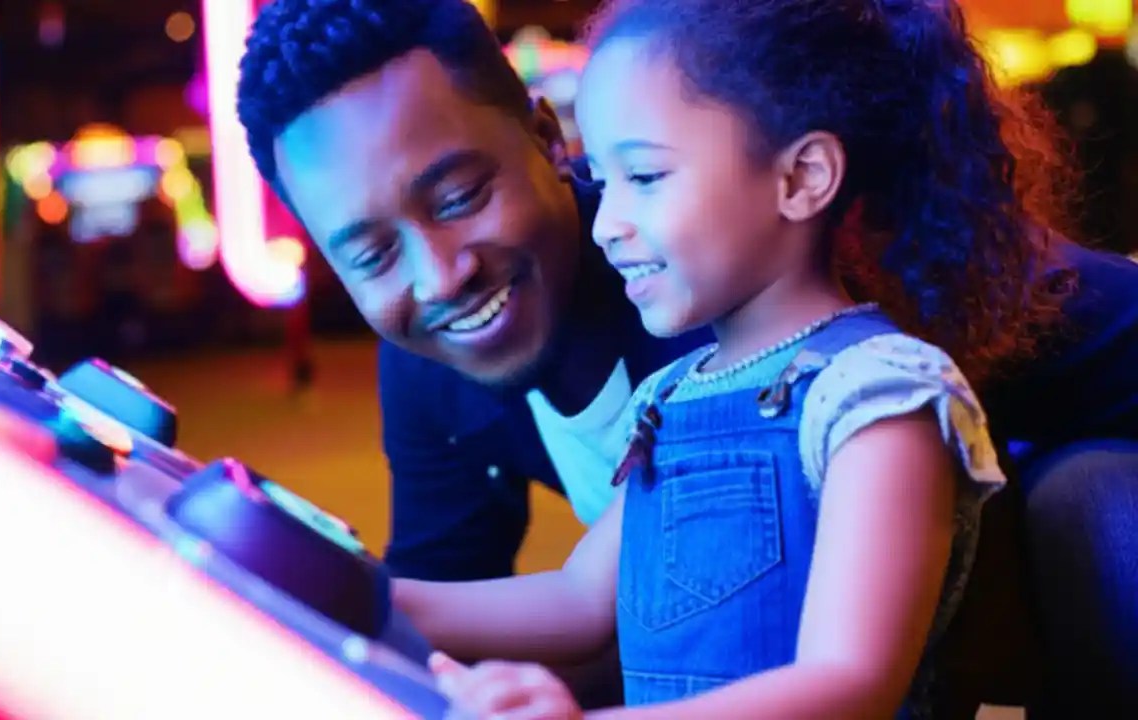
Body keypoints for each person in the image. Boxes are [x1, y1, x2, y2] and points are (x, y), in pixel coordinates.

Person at [235, 0, 1138, 712]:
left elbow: (847, 680)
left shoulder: (830, 332)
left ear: (552, 143)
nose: (440, 276)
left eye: (462, 194)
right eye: (371, 254)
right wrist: (322, 579)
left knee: (1095, 507)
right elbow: (557, 605)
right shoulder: (675, 388)